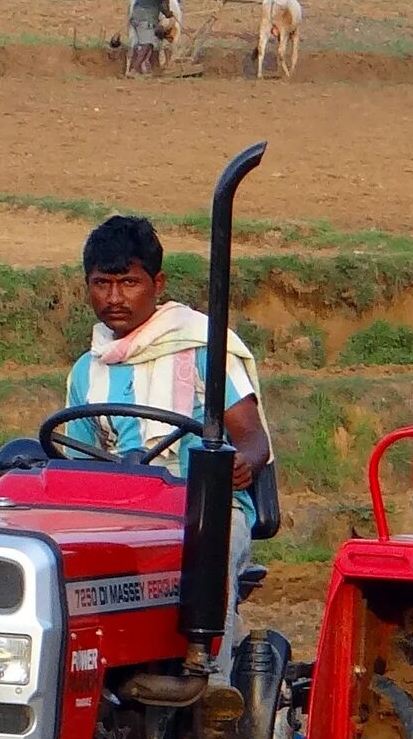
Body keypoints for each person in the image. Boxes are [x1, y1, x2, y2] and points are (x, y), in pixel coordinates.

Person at [66, 214, 271, 670]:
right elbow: (75, 461)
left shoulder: (202, 348)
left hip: (203, 505)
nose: (114, 297)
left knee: (208, 554)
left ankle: (212, 686)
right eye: (102, 283)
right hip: (121, 508)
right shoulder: (87, 369)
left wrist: (244, 463)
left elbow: (253, 437)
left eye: (128, 282)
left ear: (156, 284)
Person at [124, 0, 173, 76]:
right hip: (147, 19)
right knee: (148, 44)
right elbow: (164, 8)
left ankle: (135, 68)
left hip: (134, 18)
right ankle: (134, 70)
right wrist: (171, 16)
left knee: (138, 44)